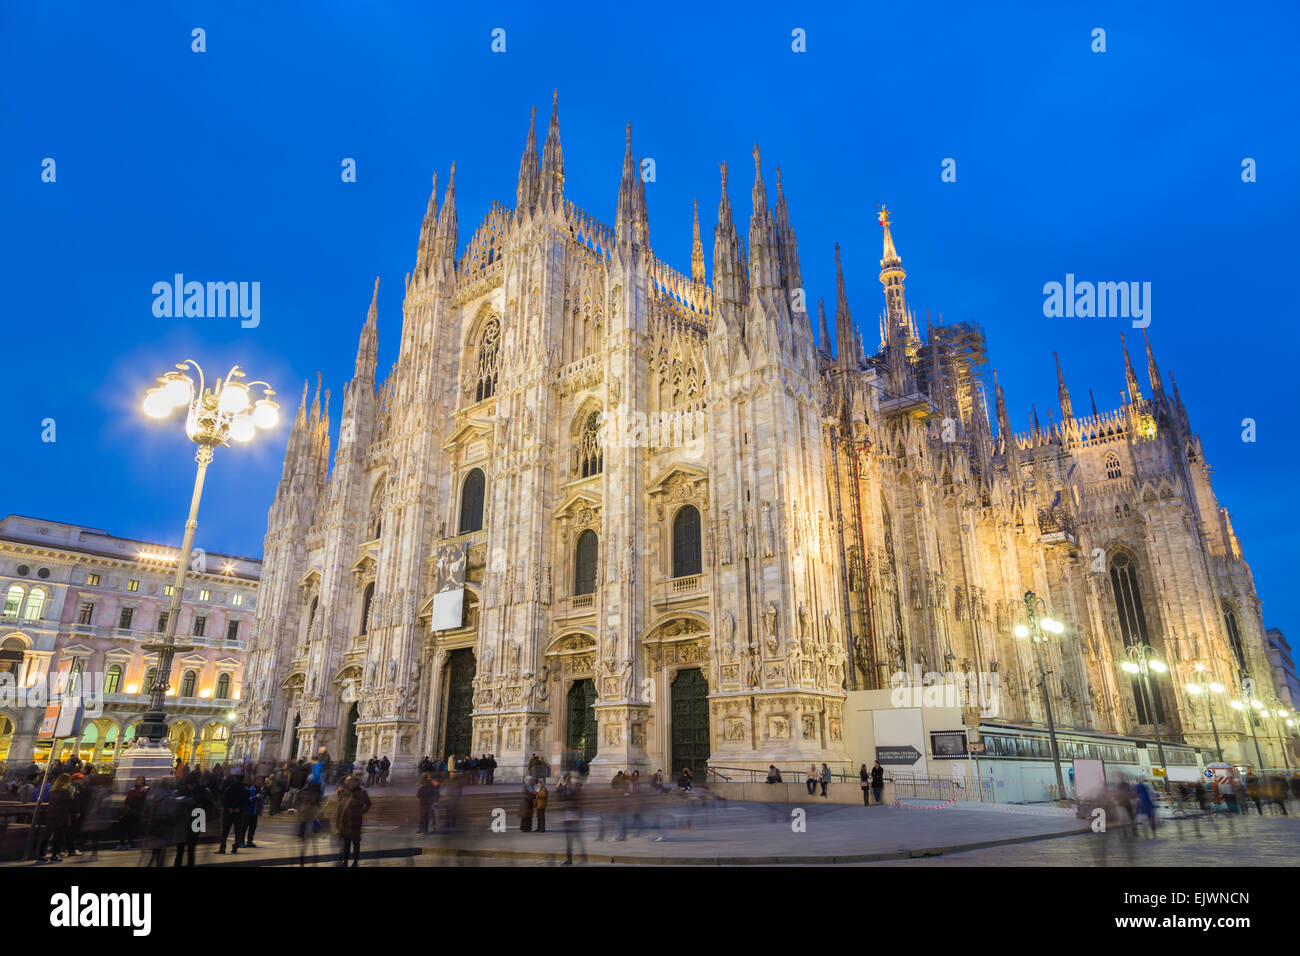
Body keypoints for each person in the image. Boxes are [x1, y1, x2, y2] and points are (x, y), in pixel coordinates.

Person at [335, 774, 371, 866]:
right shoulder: (343, 792)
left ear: (356, 783)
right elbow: (339, 807)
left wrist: (361, 811)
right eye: (348, 782)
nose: (350, 784)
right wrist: (338, 825)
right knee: (346, 844)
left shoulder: (362, 793)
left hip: (356, 822)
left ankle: (355, 861)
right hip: (345, 822)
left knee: (356, 843)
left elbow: (368, 804)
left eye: (352, 782)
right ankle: (345, 861)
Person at [217, 769, 247, 854]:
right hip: (239, 813)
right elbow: (246, 801)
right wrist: (239, 808)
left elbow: (224, 799)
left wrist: (229, 807)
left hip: (228, 812)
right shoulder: (244, 789)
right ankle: (235, 848)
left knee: (225, 831)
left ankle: (222, 847)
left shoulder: (229, 788)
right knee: (238, 831)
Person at [243, 775, 265, 848]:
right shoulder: (250, 790)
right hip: (249, 812)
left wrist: (261, 811)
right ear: (254, 781)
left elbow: (261, 802)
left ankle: (250, 841)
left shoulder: (261, 791)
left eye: (261, 781)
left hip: (255, 813)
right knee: (244, 827)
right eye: (258, 780)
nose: (260, 782)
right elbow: (248, 800)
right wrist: (255, 797)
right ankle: (241, 841)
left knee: (252, 828)